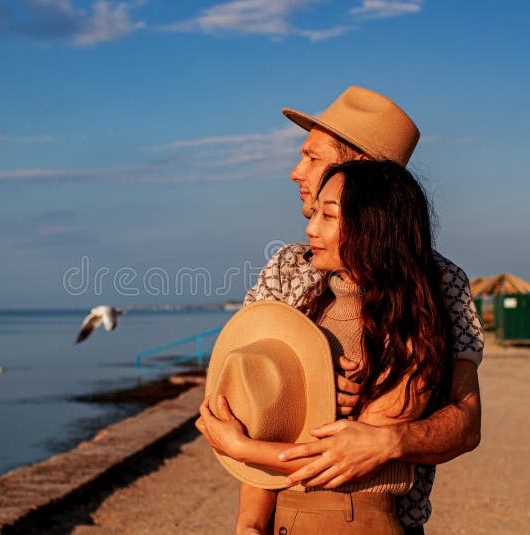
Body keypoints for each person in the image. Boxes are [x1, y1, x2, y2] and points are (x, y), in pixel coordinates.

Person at [219, 86, 483, 533]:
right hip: (285, 511)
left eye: (313, 158)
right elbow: (240, 391)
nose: (295, 172)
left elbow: (466, 421)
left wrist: (388, 441)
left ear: (359, 173)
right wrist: (308, 387)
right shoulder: (289, 267)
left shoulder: (438, 285)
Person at [199, 160, 454, 533]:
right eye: (314, 213)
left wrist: (241, 449)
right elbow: (276, 425)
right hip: (284, 513)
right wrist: (249, 522)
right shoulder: (312, 311)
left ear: (375, 227)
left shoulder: (409, 329)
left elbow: (351, 462)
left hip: (353, 518)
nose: (310, 228)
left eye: (329, 216)